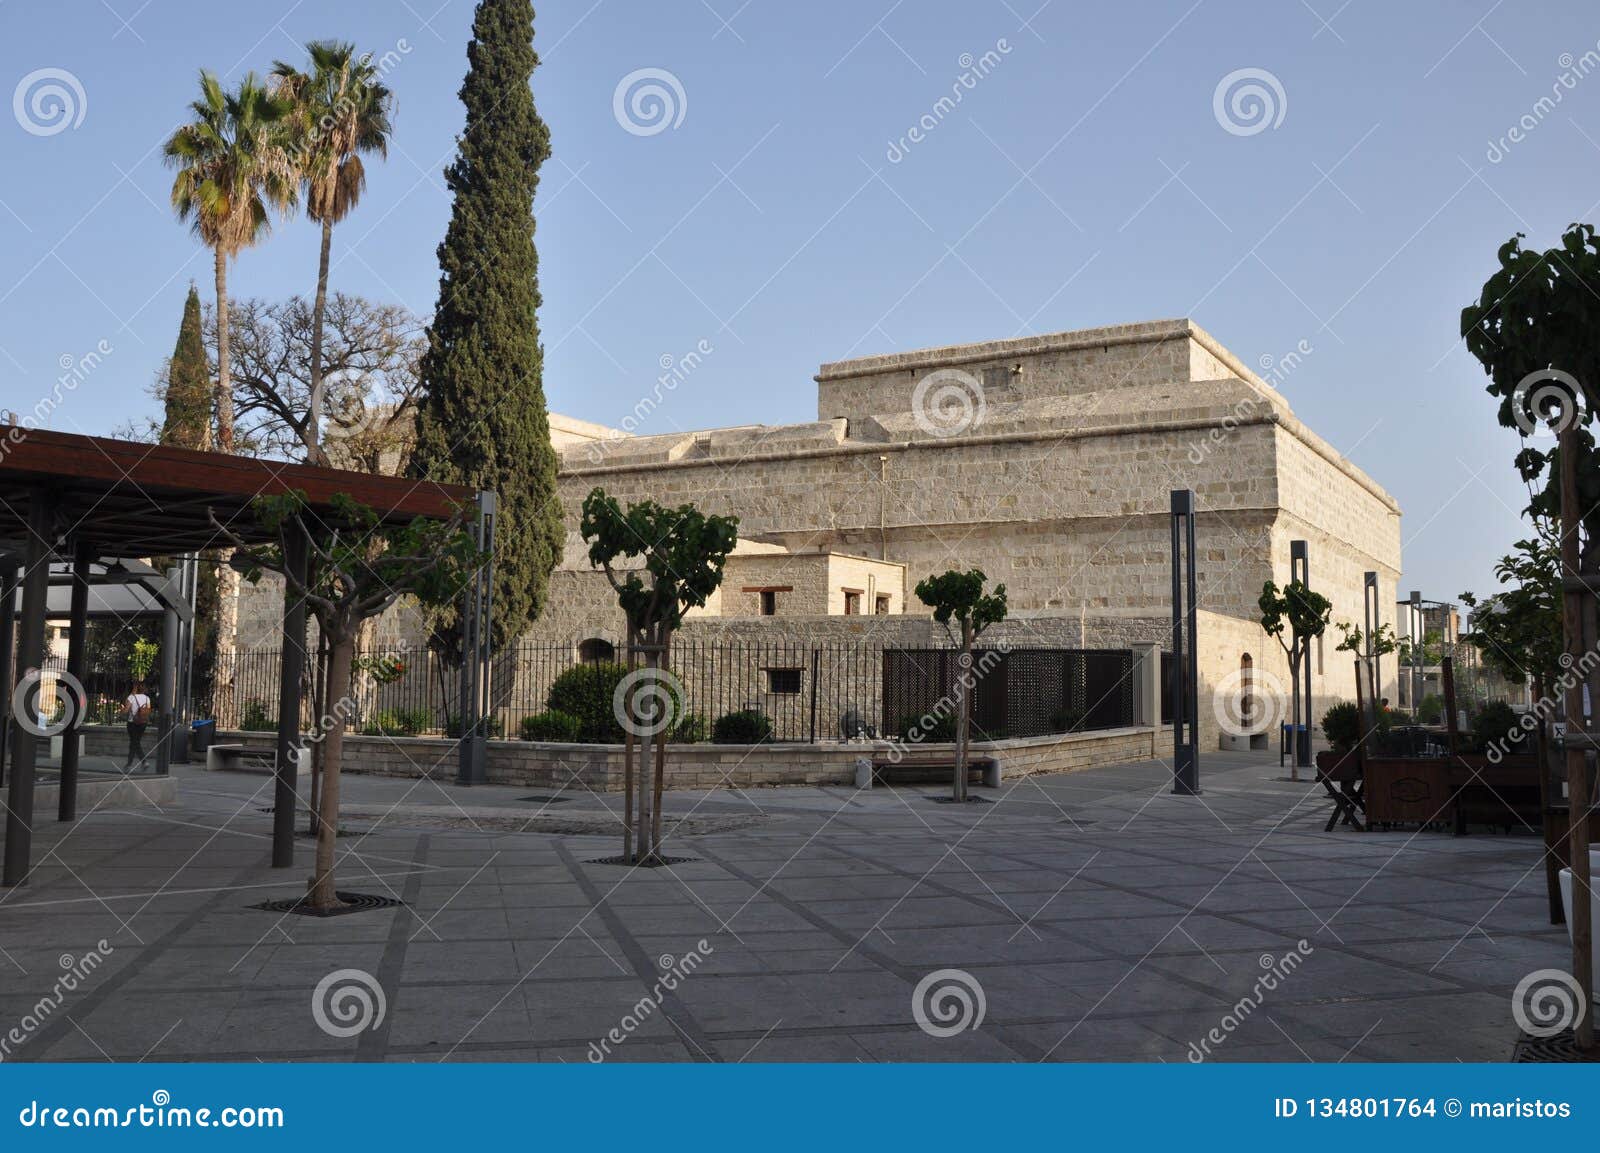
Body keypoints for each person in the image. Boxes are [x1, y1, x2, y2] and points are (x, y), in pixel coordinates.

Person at [124, 680, 152, 770]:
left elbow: (126, 710)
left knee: (135, 743)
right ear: (144, 689)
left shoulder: (131, 697)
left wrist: (122, 709)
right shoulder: (147, 698)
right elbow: (147, 711)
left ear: (136, 687)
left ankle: (143, 762)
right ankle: (129, 764)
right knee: (135, 742)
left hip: (132, 723)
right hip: (143, 723)